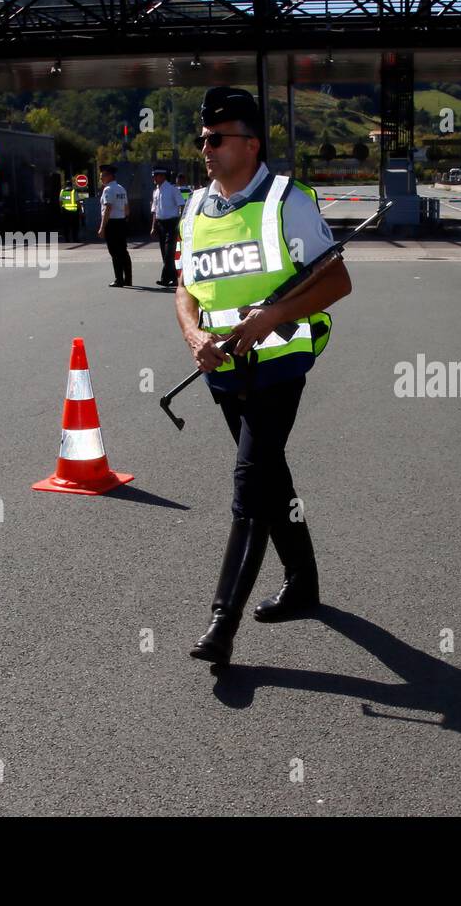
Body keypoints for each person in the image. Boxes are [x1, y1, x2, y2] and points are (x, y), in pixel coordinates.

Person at [178, 86, 352, 668]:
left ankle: (221, 623)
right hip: (222, 373)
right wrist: (194, 337)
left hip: (278, 366)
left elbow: (335, 282)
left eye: (216, 138)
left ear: (250, 144)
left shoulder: (286, 201)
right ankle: (303, 580)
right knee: (271, 476)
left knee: (250, 485)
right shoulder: (195, 208)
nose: (205, 148)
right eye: (202, 139)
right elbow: (186, 288)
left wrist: (272, 315)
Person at [98, 164, 131, 287]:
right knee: (123, 251)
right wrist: (124, 219)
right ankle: (128, 278)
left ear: (110, 176)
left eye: (103, 176)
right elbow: (127, 208)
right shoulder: (121, 188)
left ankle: (119, 279)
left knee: (115, 252)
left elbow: (108, 208)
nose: (101, 179)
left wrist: (102, 227)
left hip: (111, 223)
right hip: (121, 222)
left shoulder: (108, 189)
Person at [150, 166, 183, 286]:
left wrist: (181, 221)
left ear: (163, 176)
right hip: (161, 223)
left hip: (172, 222)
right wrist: (153, 226)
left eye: (156, 176)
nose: (154, 178)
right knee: (164, 253)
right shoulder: (156, 191)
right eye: (154, 176)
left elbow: (181, 205)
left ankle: (164, 278)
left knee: (169, 252)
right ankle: (174, 278)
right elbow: (154, 210)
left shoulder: (172, 189)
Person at [59, 178, 82, 243]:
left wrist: (61, 210)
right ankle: (75, 239)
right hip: (74, 212)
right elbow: (78, 202)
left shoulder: (62, 192)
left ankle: (67, 239)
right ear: (71, 185)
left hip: (65, 212)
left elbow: (60, 202)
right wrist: (80, 211)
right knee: (75, 227)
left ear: (65, 185)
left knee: (66, 227)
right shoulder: (74, 192)